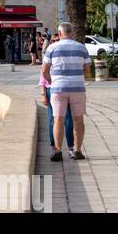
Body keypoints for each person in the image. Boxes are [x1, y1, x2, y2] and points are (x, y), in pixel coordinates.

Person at [42, 22, 90, 162]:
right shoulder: (81, 48)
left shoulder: (52, 47)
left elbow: (44, 71)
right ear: (72, 33)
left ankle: (57, 151)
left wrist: (52, 82)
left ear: (59, 33)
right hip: (77, 89)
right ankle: (77, 150)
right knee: (78, 119)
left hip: (58, 89)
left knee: (58, 119)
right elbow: (87, 71)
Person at [40, 71, 74, 157]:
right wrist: (43, 94)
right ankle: (55, 148)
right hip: (50, 90)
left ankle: (70, 147)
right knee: (52, 120)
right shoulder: (48, 62)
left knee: (68, 120)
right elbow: (43, 76)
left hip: (65, 89)